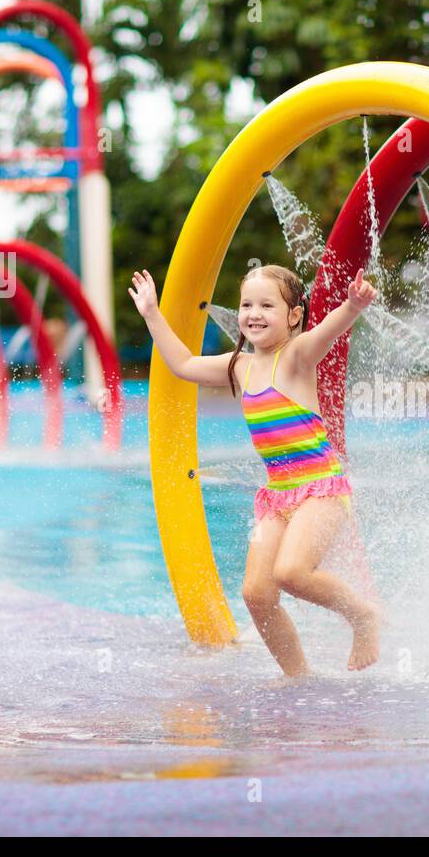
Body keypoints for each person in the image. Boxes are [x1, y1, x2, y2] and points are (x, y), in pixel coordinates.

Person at [127, 263, 381, 675]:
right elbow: (184, 365)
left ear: (294, 315)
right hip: (278, 496)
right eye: (247, 304)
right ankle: (299, 678)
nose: (253, 313)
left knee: (292, 572)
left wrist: (351, 307)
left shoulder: (296, 356)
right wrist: (152, 313)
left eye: (267, 305)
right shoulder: (239, 366)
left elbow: (325, 334)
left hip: (320, 489)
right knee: (257, 593)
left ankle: (363, 615)